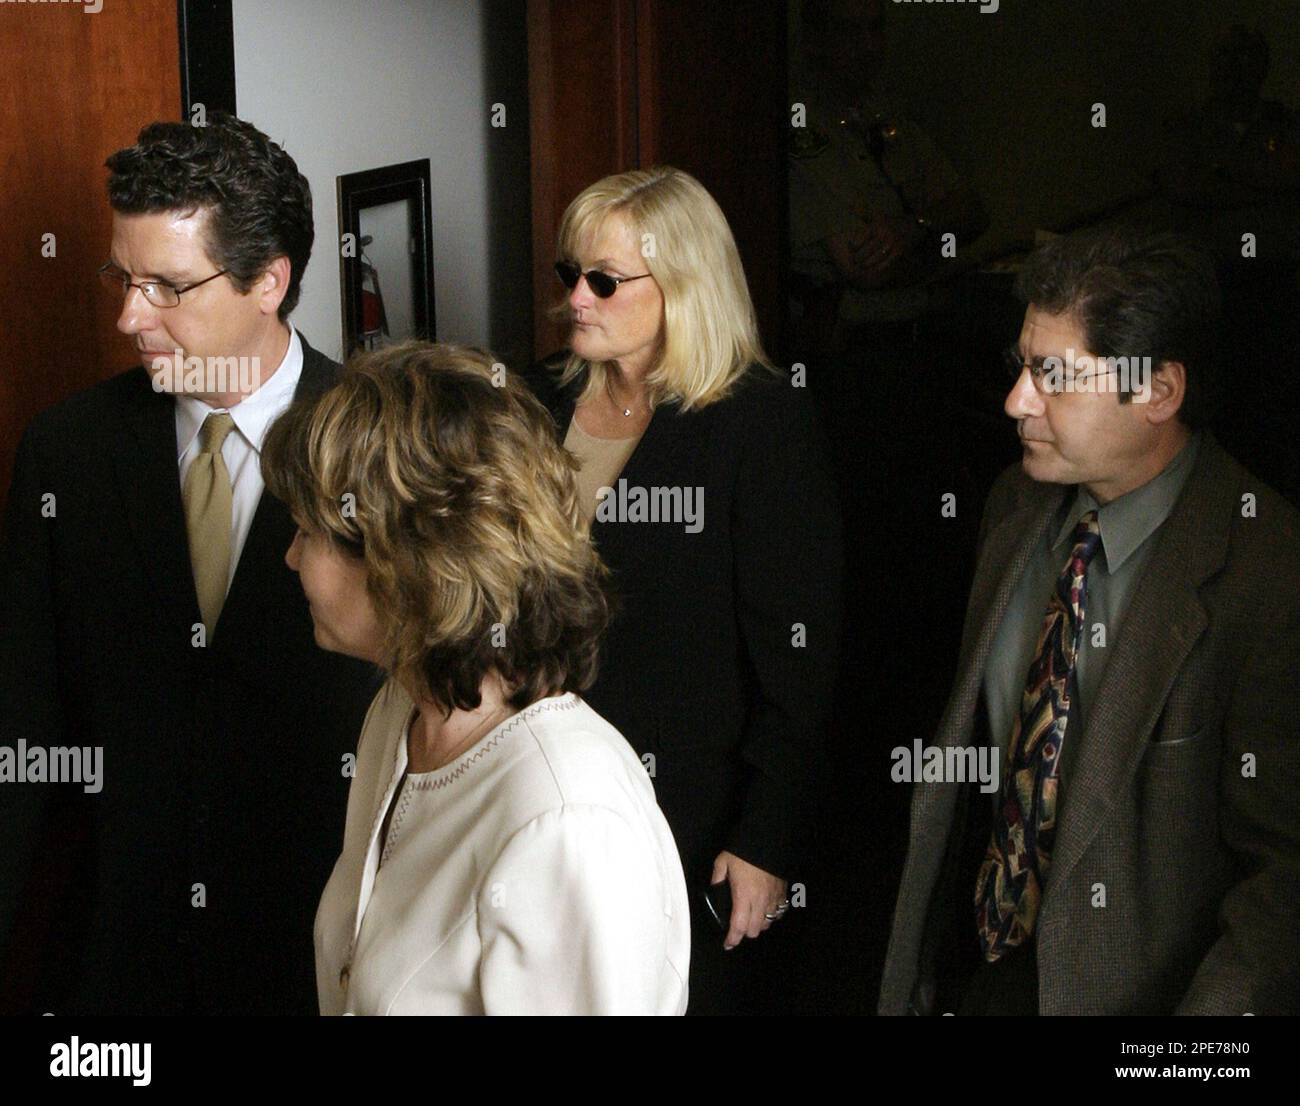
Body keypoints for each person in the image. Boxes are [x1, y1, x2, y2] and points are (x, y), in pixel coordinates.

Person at [0, 114, 379, 1014]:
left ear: (269, 283)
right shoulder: (67, 451)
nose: (129, 317)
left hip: (322, 952)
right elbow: (20, 711)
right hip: (117, 955)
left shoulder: (382, 446)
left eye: (167, 287)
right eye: (121, 279)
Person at [879, 227, 1300, 1015]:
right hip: (988, 975)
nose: (1015, 400)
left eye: (1053, 376)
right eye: (1021, 367)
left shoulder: (1269, 573)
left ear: (1158, 393)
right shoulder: (1015, 504)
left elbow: (1283, 885)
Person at [261, 341, 690, 1015]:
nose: (289, 558)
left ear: (406, 563)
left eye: (306, 532)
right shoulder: (398, 712)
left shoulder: (568, 819)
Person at [525, 166, 843, 1014]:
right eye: (570, 275)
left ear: (685, 286)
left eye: (604, 281)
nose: (576, 300)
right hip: (539, 793)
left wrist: (764, 839)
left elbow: (798, 657)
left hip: (687, 809)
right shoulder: (535, 396)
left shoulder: (760, 423)